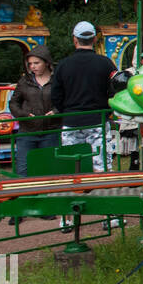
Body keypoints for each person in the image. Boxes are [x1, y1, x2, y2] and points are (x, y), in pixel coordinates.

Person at [50, 21, 118, 173]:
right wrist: (107, 110)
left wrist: (66, 111)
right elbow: (115, 91)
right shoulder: (106, 64)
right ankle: (104, 193)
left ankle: (75, 194)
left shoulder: (63, 65)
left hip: (71, 120)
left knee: (72, 167)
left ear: (74, 39)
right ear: (94, 39)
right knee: (102, 167)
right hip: (98, 120)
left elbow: (55, 95)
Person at [8, 44, 59, 176]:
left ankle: (47, 195)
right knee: (23, 169)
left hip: (51, 131)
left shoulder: (57, 81)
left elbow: (65, 101)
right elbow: (14, 103)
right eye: (30, 64)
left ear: (47, 62)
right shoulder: (25, 81)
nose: (33, 67)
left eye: (36, 63)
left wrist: (56, 112)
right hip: (27, 131)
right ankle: (23, 195)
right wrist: (22, 115)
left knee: (49, 169)